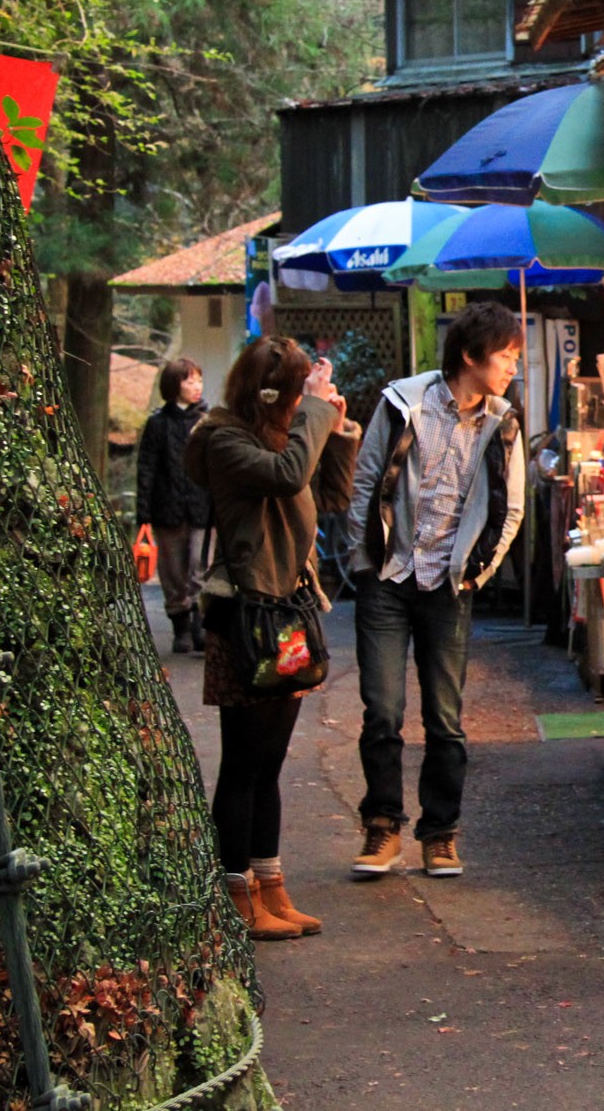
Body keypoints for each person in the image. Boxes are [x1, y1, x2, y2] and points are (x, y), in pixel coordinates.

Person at [186, 336, 360, 941]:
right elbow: (287, 479)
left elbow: (331, 496)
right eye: (295, 395)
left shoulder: (285, 438)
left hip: (286, 616)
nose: (301, 404)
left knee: (271, 765)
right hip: (244, 618)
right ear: (275, 395)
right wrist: (312, 414)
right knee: (244, 763)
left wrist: (335, 429)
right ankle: (235, 895)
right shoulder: (223, 439)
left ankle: (271, 888)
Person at [344, 302, 526, 879]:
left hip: (450, 584)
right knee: (383, 712)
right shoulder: (405, 402)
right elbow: (366, 479)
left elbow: (511, 508)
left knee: (445, 718)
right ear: (471, 356)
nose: (511, 370)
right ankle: (382, 829)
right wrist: (364, 560)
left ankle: (440, 833)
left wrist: (477, 572)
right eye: (506, 357)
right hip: (390, 578)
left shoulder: (504, 423)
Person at [137, 358, 214, 653]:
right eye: (189, 381)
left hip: (202, 507)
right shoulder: (157, 423)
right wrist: (144, 512)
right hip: (166, 508)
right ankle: (180, 627)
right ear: (174, 385)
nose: (196, 387)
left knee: (200, 566)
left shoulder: (207, 421)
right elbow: (146, 468)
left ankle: (200, 625)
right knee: (172, 573)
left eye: (199, 380)